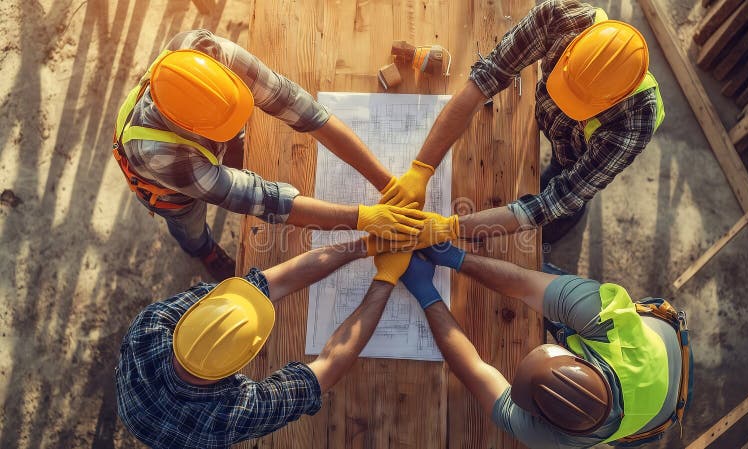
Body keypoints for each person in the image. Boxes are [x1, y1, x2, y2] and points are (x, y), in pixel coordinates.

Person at [113, 29, 427, 280]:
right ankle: (203, 250)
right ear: (192, 130)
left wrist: (387, 183)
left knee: (238, 149)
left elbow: (298, 106)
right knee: (189, 225)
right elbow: (262, 198)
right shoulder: (163, 156)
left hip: (198, 149)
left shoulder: (204, 51)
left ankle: (225, 155)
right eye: (224, 131)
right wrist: (365, 218)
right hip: (171, 192)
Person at [380, 0, 665, 245]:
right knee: (541, 184)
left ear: (613, 100)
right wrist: (420, 169)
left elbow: (561, 198)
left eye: (578, 105)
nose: (564, 103)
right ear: (573, 47)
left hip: (575, 155)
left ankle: (557, 226)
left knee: (562, 195)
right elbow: (485, 78)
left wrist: (451, 229)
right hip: (550, 124)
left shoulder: (634, 121)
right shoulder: (559, 19)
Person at [115, 238, 414, 449]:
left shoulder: (151, 326)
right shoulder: (229, 417)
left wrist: (367, 245)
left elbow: (279, 279)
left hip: (134, 410)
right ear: (244, 361)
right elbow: (328, 367)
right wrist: (386, 277)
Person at [399, 242, 691, 447]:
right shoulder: (603, 316)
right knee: (539, 276)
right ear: (577, 359)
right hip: (668, 343)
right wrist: (454, 257)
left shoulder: (553, 440)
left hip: (659, 416)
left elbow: (474, 371)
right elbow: (525, 284)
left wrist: (427, 295)